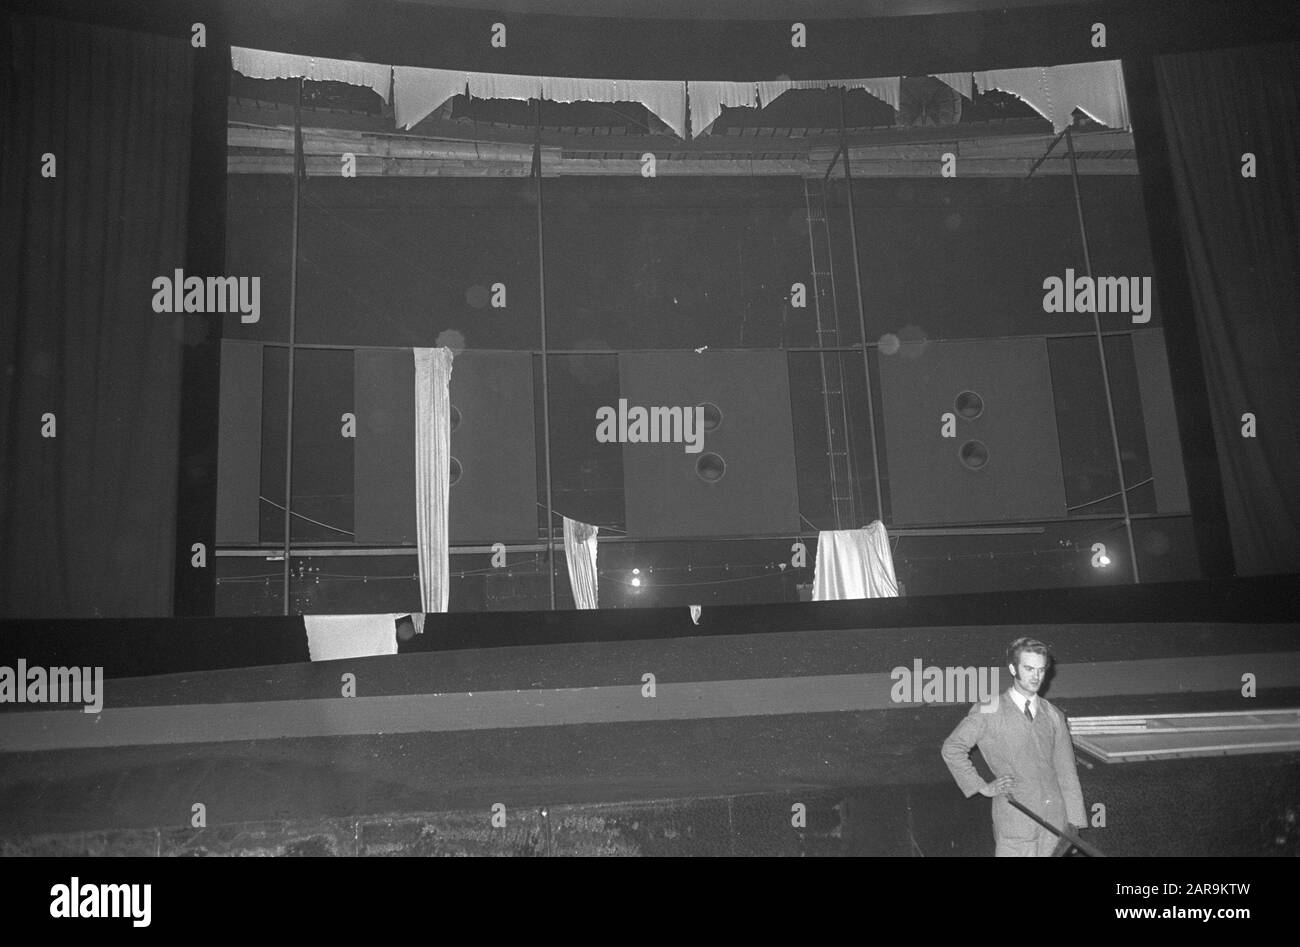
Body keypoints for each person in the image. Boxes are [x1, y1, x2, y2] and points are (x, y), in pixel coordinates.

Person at [941, 636, 1086, 856]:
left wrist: (1074, 824)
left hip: (1056, 825)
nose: (1036, 676)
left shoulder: (1054, 714)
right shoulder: (989, 708)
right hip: (1016, 822)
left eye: (1041, 669)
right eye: (1029, 668)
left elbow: (1067, 773)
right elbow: (952, 748)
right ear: (1012, 668)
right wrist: (982, 786)